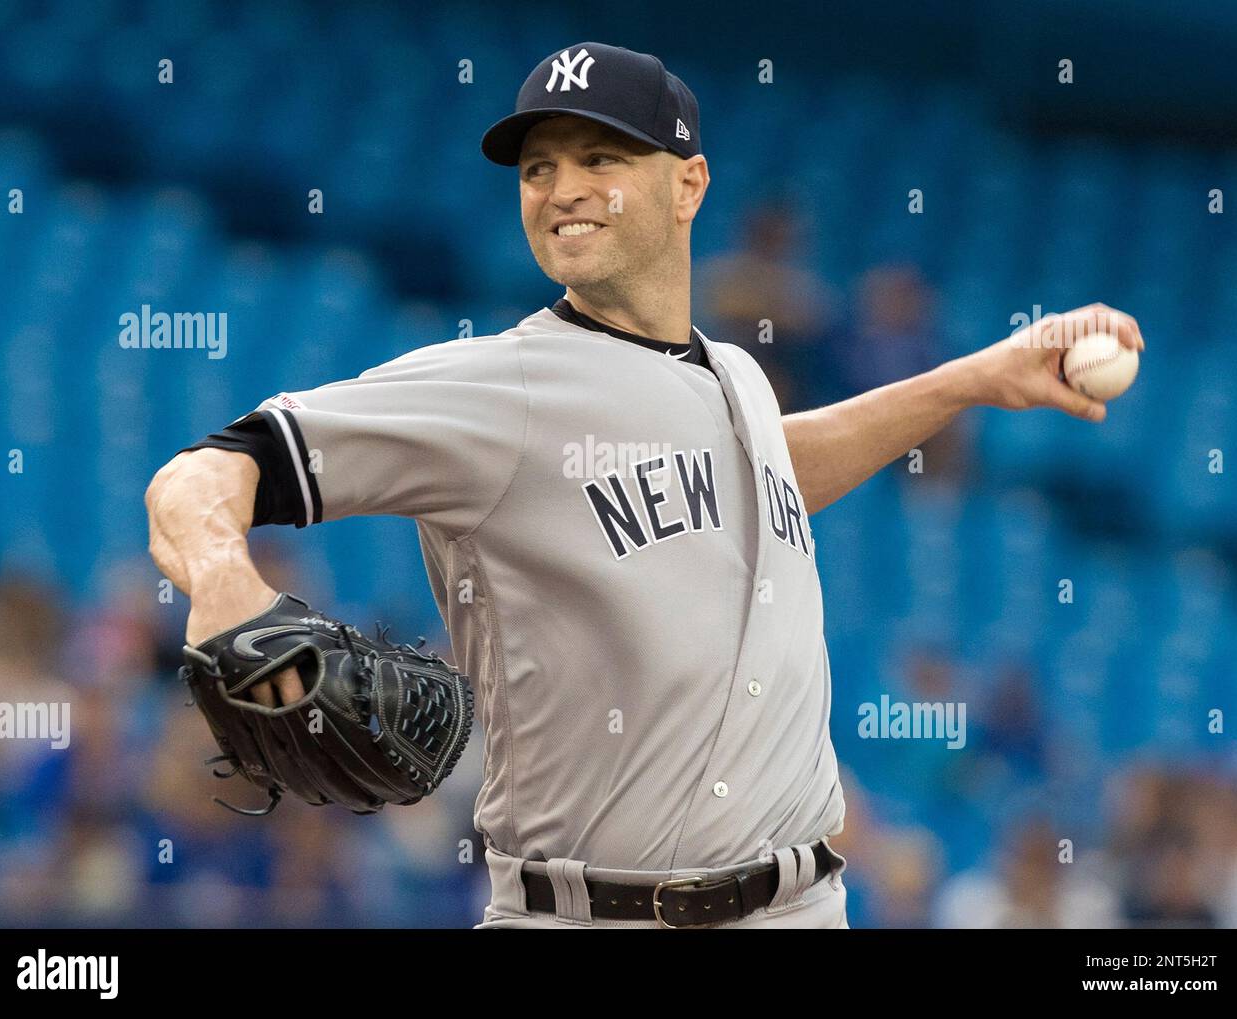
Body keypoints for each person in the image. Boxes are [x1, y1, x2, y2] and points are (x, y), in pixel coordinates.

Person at [145, 41, 1144, 929]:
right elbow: (206, 472)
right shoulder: (499, 385)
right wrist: (227, 585)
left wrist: (970, 379)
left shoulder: (736, 375)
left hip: (804, 904)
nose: (561, 185)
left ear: (687, 184)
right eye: (539, 167)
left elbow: (766, 469)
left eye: (601, 157)